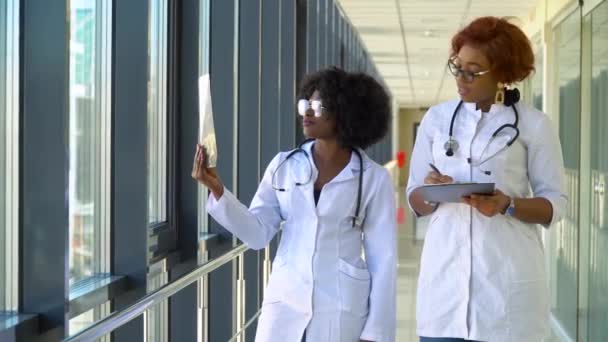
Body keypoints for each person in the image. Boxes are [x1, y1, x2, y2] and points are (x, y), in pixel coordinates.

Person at [192, 67, 397, 342]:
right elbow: (257, 233)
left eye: (317, 106)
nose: (307, 113)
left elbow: (382, 259)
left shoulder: (373, 178)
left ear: (345, 113)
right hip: (284, 302)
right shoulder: (284, 166)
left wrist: (376, 333)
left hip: (340, 307)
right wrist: (217, 189)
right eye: (305, 104)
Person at [407, 17, 567, 342]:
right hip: (443, 297)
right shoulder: (437, 121)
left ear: (502, 74)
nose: (461, 78)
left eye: (473, 70)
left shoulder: (534, 125)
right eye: (457, 66)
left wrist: (508, 205)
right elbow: (415, 199)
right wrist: (431, 192)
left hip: (506, 300)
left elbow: (556, 205)